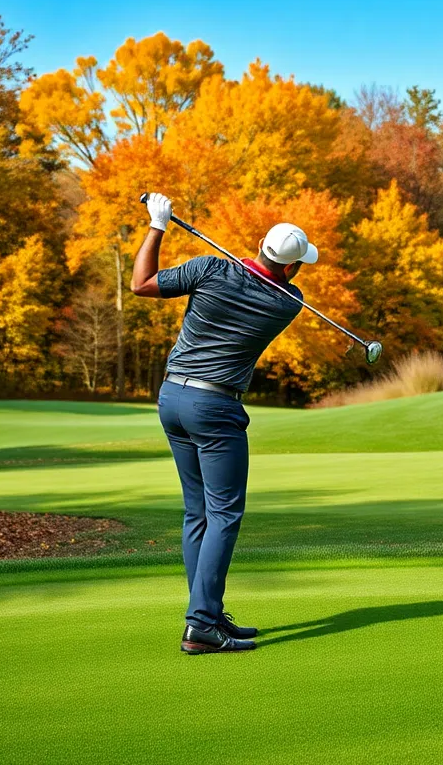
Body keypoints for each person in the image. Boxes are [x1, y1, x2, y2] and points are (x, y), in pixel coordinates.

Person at [130, 192, 317, 655]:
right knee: (224, 514)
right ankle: (201, 625)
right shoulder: (289, 301)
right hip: (215, 408)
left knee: (199, 513)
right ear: (292, 268)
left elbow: (142, 284)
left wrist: (158, 225)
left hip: (172, 397)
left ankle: (208, 615)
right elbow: (266, 280)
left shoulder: (211, 269)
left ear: (258, 245)